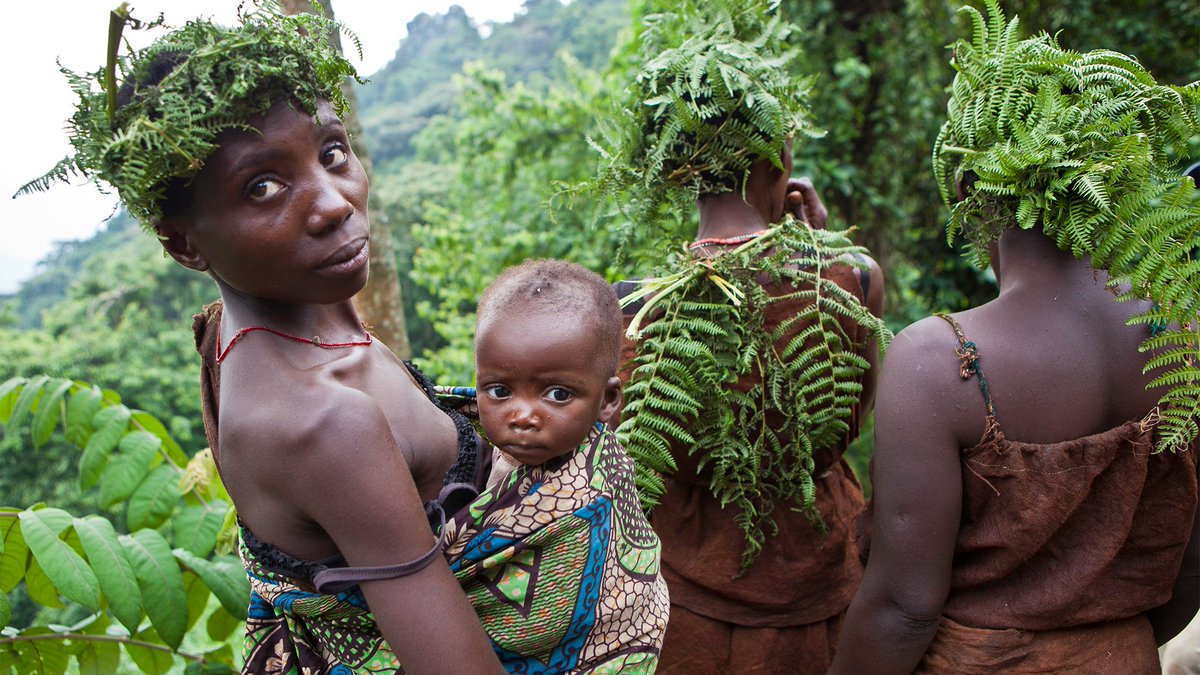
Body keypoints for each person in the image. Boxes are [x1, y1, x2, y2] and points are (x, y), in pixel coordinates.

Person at [27, 4, 505, 673]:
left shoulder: (286, 316)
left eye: (332, 152)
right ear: (184, 242)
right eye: (264, 185)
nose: (334, 200)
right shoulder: (320, 421)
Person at [829, 3, 1200, 673]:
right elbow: (1191, 563)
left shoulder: (937, 362)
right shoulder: (1183, 332)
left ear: (970, 193)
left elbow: (903, 608)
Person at [592, 3, 888, 671]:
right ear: (782, 152)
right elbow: (848, 418)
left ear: (672, 169)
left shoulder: (634, 310)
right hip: (821, 598)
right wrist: (823, 250)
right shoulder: (854, 280)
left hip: (683, 610)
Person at [437, 259, 669, 673]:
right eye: (499, 390)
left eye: (558, 394)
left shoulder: (601, 485)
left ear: (608, 401)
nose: (523, 415)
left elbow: (623, 607)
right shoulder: (456, 450)